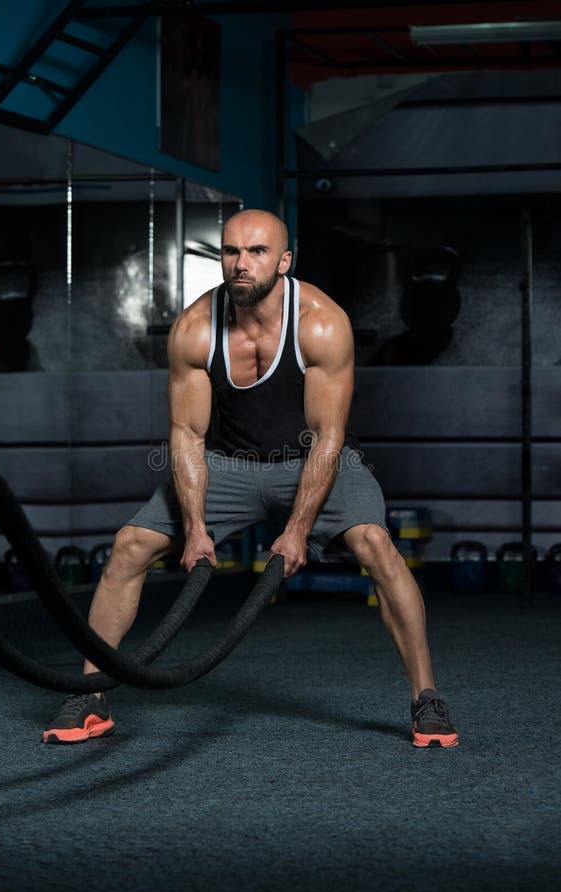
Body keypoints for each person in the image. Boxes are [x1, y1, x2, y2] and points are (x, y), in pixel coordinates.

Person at [42, 209, 458, 748]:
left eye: (257, 252)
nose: (242, 264)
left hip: (309, 458)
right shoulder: (194, 329)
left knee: (377, 545)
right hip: (228, 464)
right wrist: (194, 528)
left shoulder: (321, 322)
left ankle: (425, 696)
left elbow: (327, 436)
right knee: (129, 545)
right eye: (231, 251)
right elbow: (187, 435)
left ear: (284, 261)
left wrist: (298, 530)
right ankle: (90, 695)